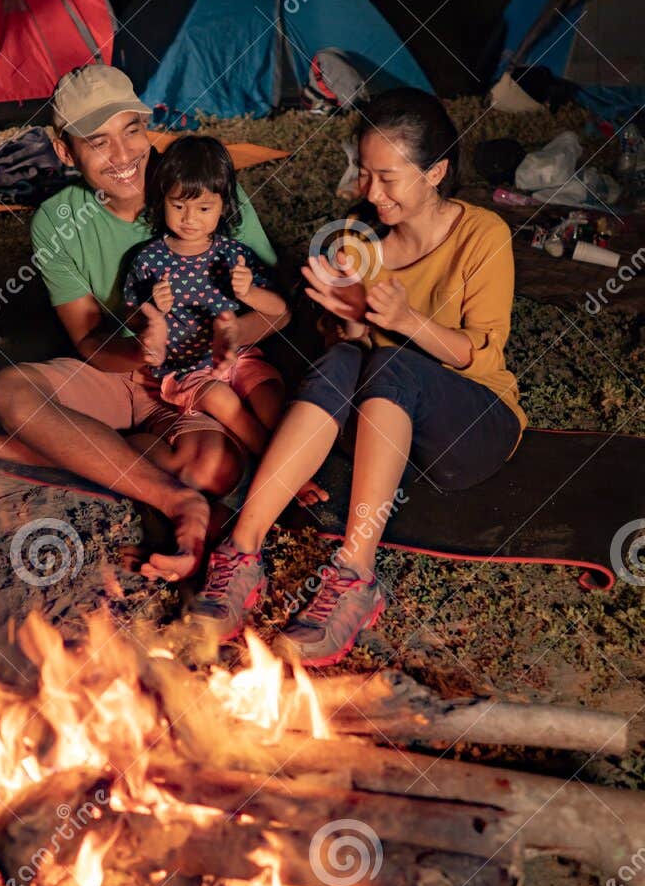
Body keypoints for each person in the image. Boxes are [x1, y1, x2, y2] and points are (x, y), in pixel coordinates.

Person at [186, 88, 528, 667]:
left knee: (394, 363)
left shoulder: (482, 235)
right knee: (344, 359)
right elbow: (348, 354)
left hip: (470, 430)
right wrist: (351, 320)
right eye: (365, 173)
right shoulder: (357, 239)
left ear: (436, 172)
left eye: (388, 177)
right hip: (382, 428)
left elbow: (482, 356)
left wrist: (403, 319)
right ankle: (242, 552)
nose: (371, 191)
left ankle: (355, 575)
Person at [0, 65, 288, 580]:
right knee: (10, 391)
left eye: (131, 130)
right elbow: (88, 339)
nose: (123, 154)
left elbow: (274, 308)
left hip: (199, 374)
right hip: (121, 370)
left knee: (212, 468)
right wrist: (141, 352)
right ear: (65, 151)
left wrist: (226, 339)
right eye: (98, 141)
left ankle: (44, 450)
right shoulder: (57, 221)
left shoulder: (201, 186)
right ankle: (178, 502)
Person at [123, 136, 287, 458]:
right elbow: (131, 314)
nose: (189, 218)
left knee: (269, 396)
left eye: (203, 208)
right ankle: (275, 465)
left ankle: (294, 454)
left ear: (223, 205)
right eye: (178, 206)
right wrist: (154, 308)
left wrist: (249, 293)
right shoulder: (150, 259)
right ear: (162, 199)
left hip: (239, 357)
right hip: (186, 368)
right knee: (221, 400)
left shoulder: (235, 254)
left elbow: (279, 308)